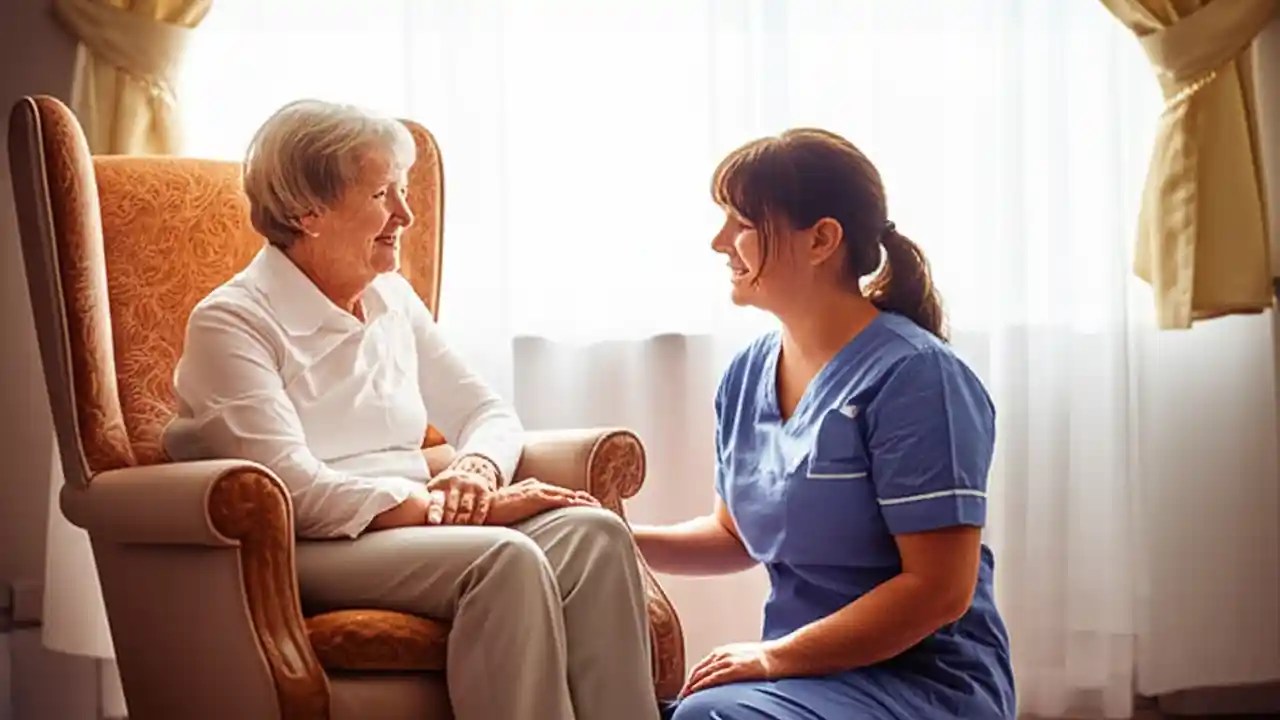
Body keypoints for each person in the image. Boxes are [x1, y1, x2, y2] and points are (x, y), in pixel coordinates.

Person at [162, 99, 658, 720]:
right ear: (306, 212)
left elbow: (486, 411)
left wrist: (477, 471)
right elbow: (292, 488)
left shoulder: (390, 296)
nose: (406, 213)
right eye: (382, 195)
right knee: (503, 557)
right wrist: (444, 510)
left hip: (412, 523)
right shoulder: (232, 322)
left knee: (595, 535)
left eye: (402, 190)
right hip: (311, 540)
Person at [634, 129, 1016, 719]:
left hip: (922, 681)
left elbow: (939, 590)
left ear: (822, 239)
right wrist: (608, 537)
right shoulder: (746, 374)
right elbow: (735, 536)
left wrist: (774, 657)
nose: (719, 242)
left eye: (740, 221)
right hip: (806, 675)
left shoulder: (919, 378)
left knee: (710, 715)